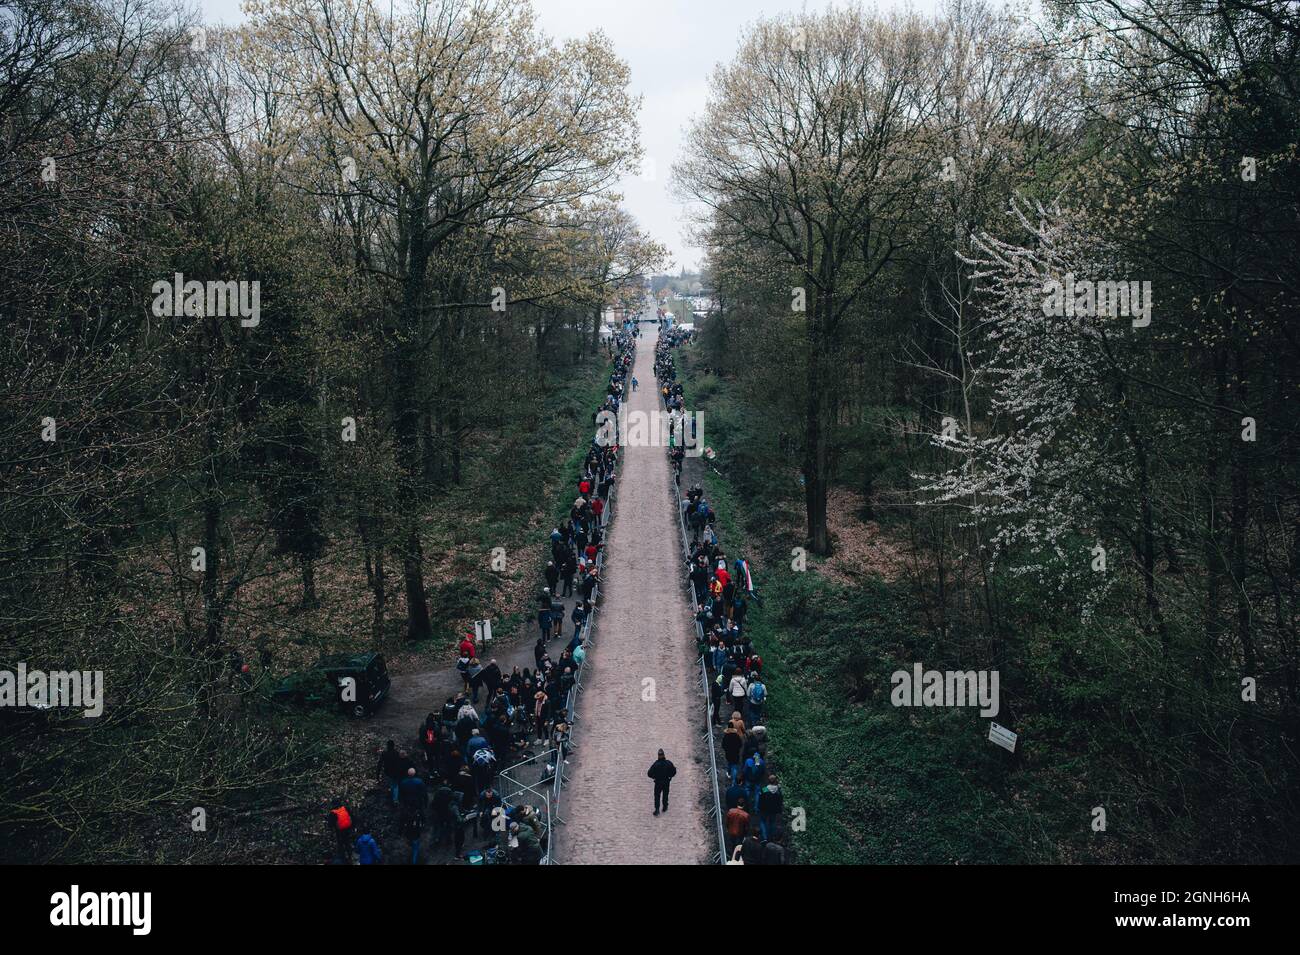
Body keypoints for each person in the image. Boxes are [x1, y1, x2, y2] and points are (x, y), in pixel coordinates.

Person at [647, 748, 677, 816]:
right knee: (665, 795)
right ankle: (665, 807)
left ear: (658, 756)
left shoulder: (655, 764)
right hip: (666, 781)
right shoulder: (668, 763)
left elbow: (649, 773)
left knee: (657, 796)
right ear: (664, 755)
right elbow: (674, 771)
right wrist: (670, 776)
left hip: (658, 782)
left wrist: (654, 777)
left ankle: (657, 809)